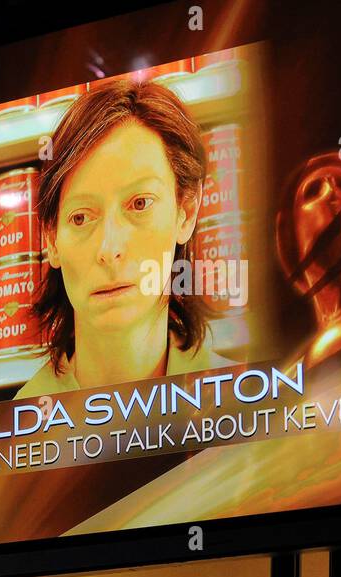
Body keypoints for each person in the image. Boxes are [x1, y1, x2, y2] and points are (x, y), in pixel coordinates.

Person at [15, 79, 233, 399]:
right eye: (81, 217)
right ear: (51, 239)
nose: (110, 249)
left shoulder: (254, 412)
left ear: (186, 211)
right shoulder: (7, 442)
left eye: (140, 204)